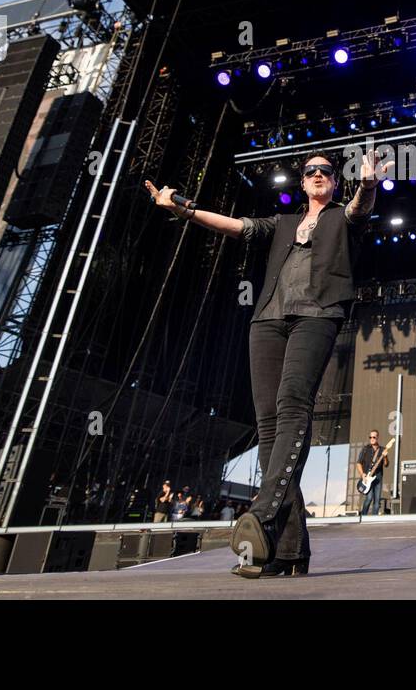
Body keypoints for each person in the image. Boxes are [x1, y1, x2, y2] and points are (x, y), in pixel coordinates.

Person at [146, 149, 389, 579]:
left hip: (317, 314)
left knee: (293, 401)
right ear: (301, 182)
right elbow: (235, 226)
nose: (317, 175)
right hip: (268, 320)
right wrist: (184, 208)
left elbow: (359, 209)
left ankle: (260, 513)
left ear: (334, 180)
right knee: (268, 424)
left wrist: (368, 185)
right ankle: (290, 551)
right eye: (310, 171)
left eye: (326, 171)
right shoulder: (282, 225)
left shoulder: (340, 217)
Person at [357, 430, 388, 516]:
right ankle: (363, 516)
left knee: (377, 501)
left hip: (378, 477)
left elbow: (386, 464)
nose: (372, 439)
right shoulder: (365, 449)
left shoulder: (382, 449)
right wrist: (362, 474)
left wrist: (385, 457)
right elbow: (359, 463)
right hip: (367, 477)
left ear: (377, 438)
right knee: (369, 497)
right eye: (370, 437)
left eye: (374, 437)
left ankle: (374, 519)